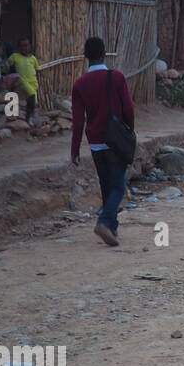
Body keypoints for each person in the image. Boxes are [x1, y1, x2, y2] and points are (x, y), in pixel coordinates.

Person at [70, 37, 135, 247]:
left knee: (107, 185)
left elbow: (78, 121)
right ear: (104, 53)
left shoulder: (79, 84)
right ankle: (105, 221)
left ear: (85, 56)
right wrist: (129, 131)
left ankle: (112, 228)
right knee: (118, 185)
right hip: (115, 140)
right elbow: (128, 109)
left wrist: (75, 149)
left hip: (96, 142)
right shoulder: (116, 77)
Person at [10, 38, 40, 123]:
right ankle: (28, 118)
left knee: (33, 102)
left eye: (27, 45)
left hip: (33, 83)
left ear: (30, 46)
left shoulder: (33, 58)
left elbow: (36, 69)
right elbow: (7, 65)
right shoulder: (14, 56)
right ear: (18, 47)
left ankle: (29, 118)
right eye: (22, 46)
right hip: (22, 81)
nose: (25, 48)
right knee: (32, 95)